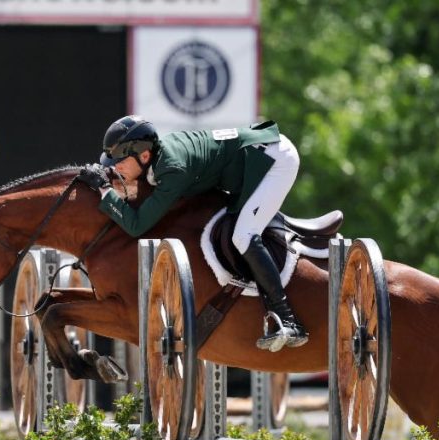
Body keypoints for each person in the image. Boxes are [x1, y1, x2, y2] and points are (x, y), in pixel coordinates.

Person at [78, 115, 306, 352]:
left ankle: (289, 320)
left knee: (243, 235)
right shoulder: (159, 160)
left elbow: (136, 225)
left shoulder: (173, 168)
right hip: (255, 156)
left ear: (144, 156)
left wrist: (105, 191)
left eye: (119, 162)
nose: (115, 168)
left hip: (274, 161)